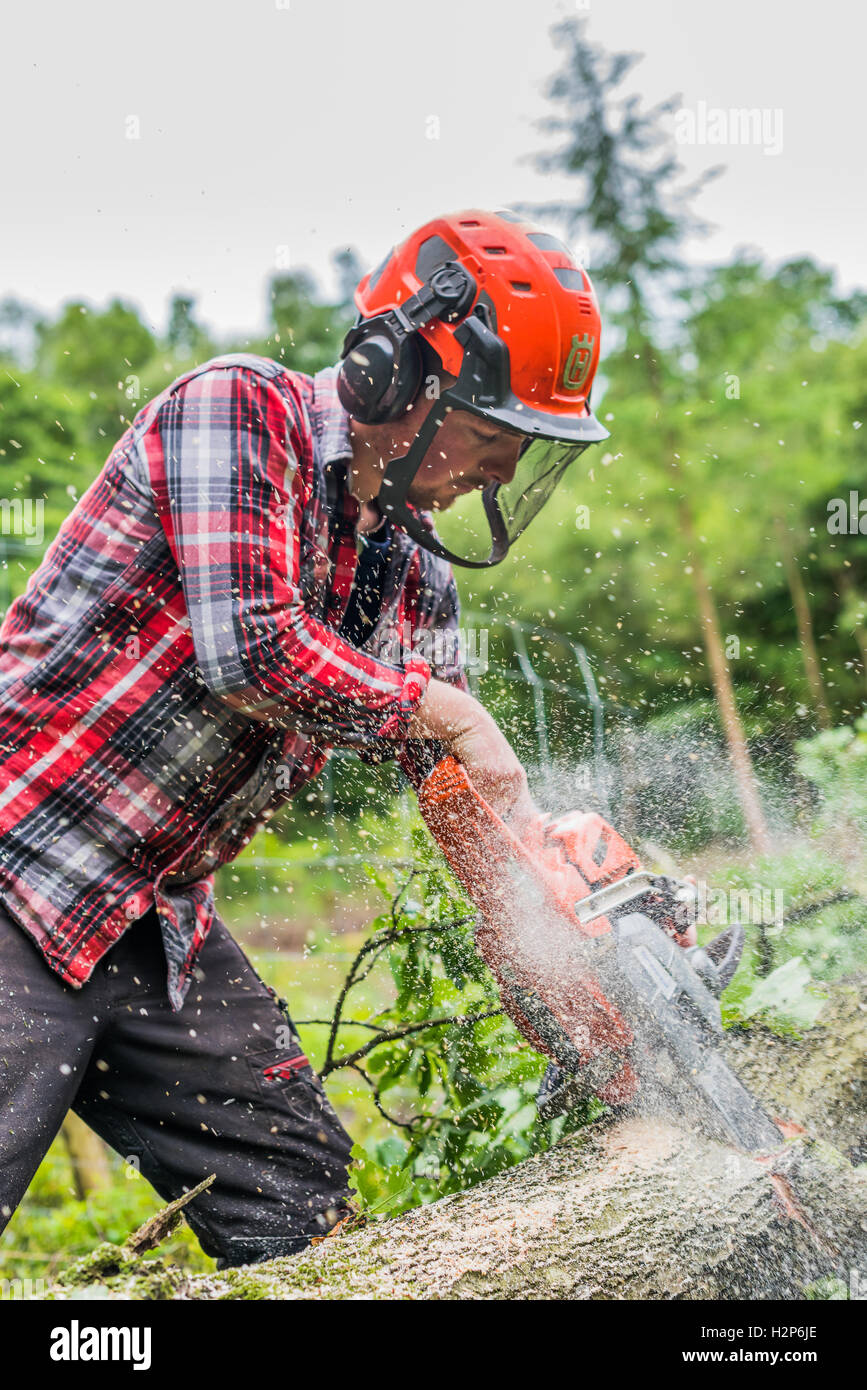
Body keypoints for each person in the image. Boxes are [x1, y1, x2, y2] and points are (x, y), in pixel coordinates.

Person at [0, 209, 620, 1267]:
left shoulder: (411, 565)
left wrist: (565, 929)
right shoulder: (240, 412)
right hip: (23, 876)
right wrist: (448, 711)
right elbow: (249, 646)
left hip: (155, 923)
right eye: (491, 430)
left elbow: (455, 773)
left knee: (296, 1189)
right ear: (395, 373)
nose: (506, 470)